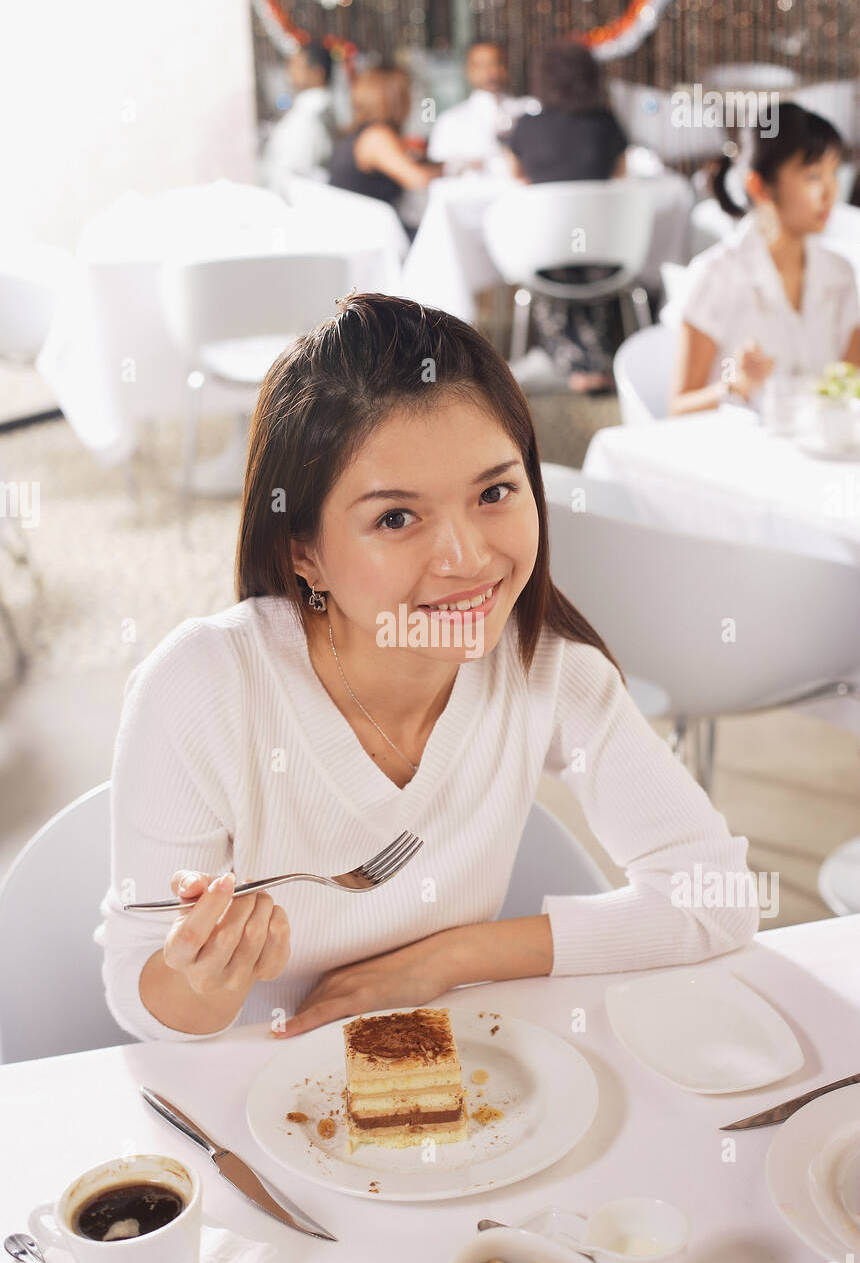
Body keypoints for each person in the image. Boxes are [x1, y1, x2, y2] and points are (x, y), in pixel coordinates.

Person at [95, 293, 758, 1044]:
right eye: (396, 518)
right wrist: (207, 979)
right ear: (302, 551)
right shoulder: (202, 689)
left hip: (450, 1078)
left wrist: (453, 956)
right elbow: (137, 986)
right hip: (246, 1092)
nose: (468, 558)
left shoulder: (547, 672)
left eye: (495, 492)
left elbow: (718, 896)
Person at [669, 102, 860, 416]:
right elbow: (677, 409)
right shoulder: (716, 274)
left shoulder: (840, 273)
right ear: (759, 186)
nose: (830, 192)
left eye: (833, 173)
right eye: (813, 176)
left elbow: (850, 387)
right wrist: (737, 386)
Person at [502, 42, 629, 394]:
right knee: (587, 259)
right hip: (608, 256)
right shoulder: (606, 123)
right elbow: (621, 176)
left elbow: (517, 176)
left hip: (545, 257)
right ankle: (596, 362)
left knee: (557, 260)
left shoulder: (527, 126)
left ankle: (571, 361)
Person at [328, 66, 442, 225]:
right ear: (394, 99)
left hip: (355, 228)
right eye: (407, 92)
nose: (412, 99)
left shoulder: (362, 133)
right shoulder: (377, 136)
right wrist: (453, 167)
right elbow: (418, 179)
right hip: (372, 236)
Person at [426, 41, 533, 174]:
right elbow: (440, 170)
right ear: (468, 70)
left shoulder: (529, 109)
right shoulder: (449, 121)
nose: (490, 72)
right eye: (481, 65)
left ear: (506, 67)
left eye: (496, 63)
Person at [260, 41, 335, 189]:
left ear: (317, 73)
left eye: (296, 65)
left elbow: (293, 174)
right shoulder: (308, 111)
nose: (289, 71)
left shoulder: (311, 116)